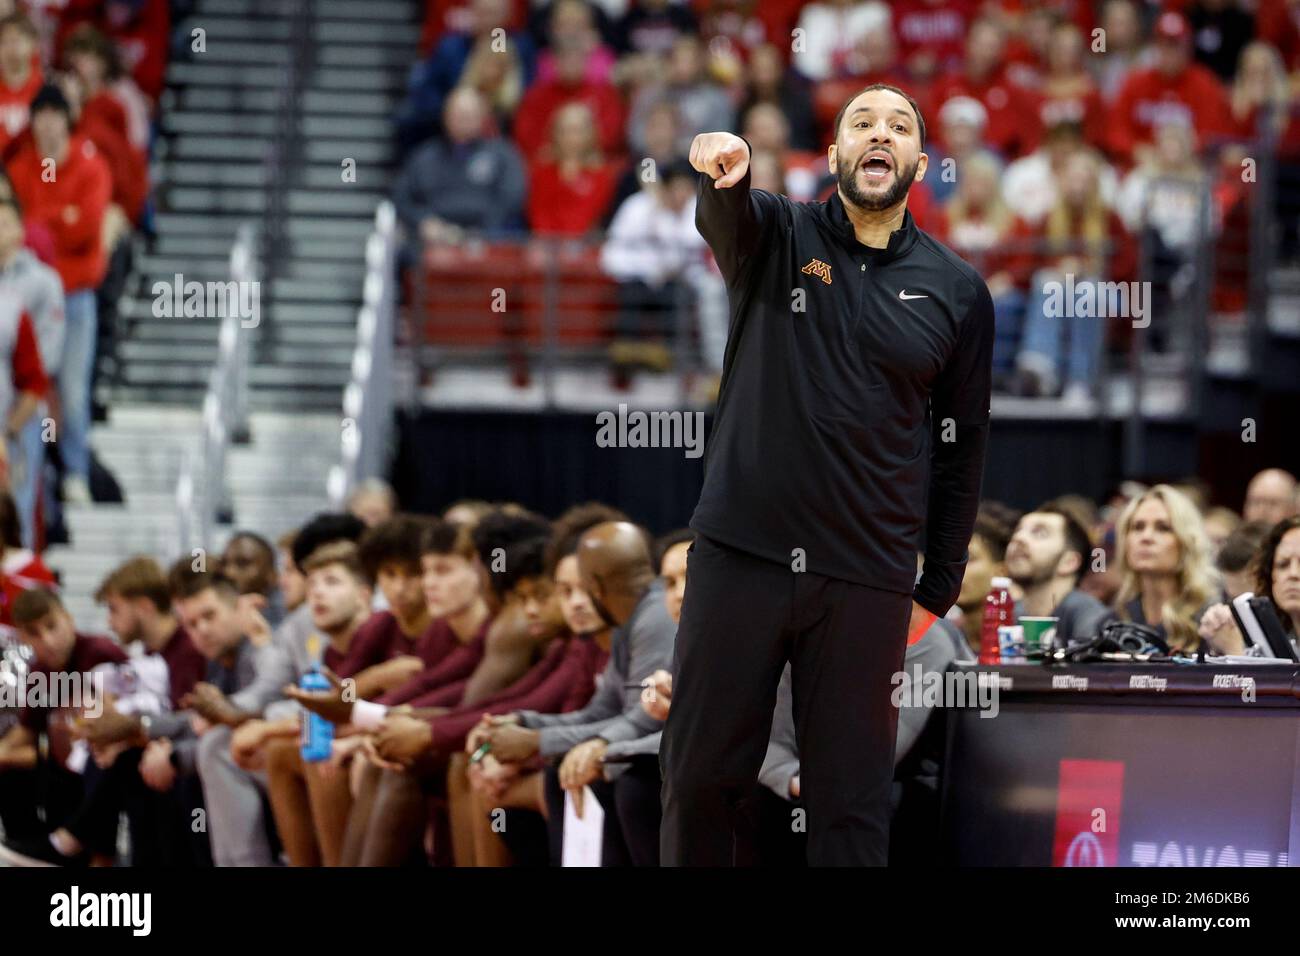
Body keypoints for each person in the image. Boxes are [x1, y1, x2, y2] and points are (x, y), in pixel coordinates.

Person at [663, 83, 994, 866]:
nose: (881, 134)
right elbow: (726, 219)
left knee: (850, 806)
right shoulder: (778, 231)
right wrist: (727, 174)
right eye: (861, 123)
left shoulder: (958, 291)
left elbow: (962, 444)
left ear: (920, 161)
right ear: (837, 152)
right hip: (741, 553)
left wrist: (940, 579)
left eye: (900, 126)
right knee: (702, 779)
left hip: (866, 577)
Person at [5, 82, 111, 507]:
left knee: (71, 388)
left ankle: (75, 471)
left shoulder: (90, 165)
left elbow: (84, 228)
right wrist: (57, 221)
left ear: (68, 119)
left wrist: (42, 228)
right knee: (29, 386)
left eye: (55, 115)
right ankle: (29, 478)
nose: (47, 125)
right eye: (40, 116)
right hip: (23, 296)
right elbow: (24, 229)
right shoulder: (21, 166)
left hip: (74, 296)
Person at [0, 194, 62, 548]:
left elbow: (42, 366)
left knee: (16, 506)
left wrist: (10, 427)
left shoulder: (41, 282)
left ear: (21, 231)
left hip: (21, 414)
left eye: (6, 223)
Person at [1112, 484, 1218, 653]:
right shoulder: (1115, 620)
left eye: (1163, 528)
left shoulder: (1211, 619)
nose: (1146, 537)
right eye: (1138, 527)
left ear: (1187, 542)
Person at [1005, 504, 1115, 645]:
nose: (1018, 538)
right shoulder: (1011, 612)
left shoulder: (1089, 616)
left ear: (1069, 562)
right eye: (1017, 530)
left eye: (1039, 533)